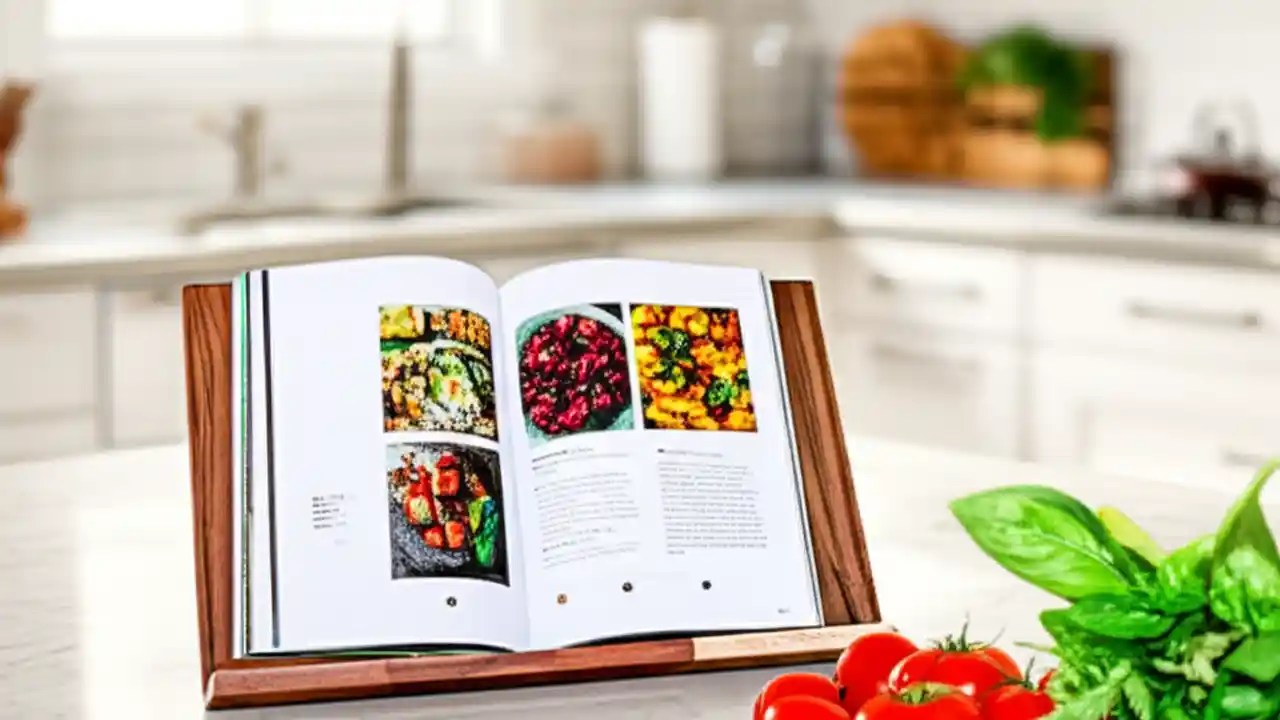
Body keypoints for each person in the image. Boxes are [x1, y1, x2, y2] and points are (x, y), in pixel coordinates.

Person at [466, 471, 499, 568]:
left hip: (486, 539)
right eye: (472, 485)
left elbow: (490, 523)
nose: (473, 488)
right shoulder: (473, 504)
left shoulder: (489, 503)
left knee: (485, 556)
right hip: (478, 539)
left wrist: (479, 531)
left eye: (477, 485)